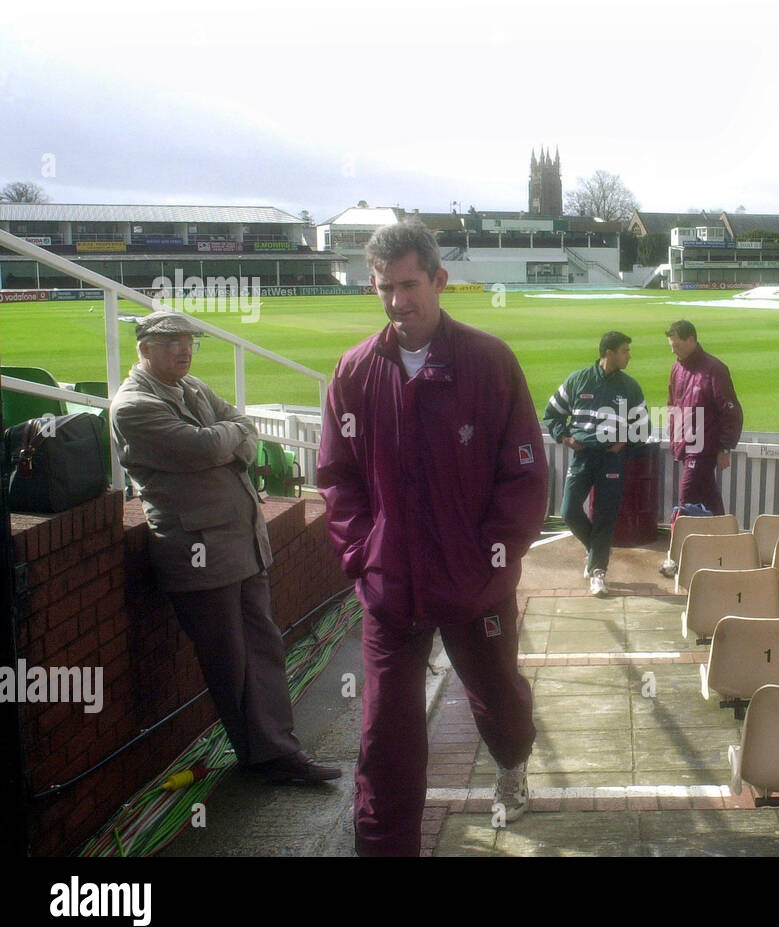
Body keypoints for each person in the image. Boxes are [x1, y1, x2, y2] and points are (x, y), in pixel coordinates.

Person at [316, 221, 548, 856]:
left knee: (499, 699)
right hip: (391, 589)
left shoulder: (489, 361)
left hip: (474, 585)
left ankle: (512, 761)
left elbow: (524, 471)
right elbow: (336, 476)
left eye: (410, 285)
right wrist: (362, 554)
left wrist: (494, 560)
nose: (398, 301)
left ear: (440, 281)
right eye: (385, 287)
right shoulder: (356, 370)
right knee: (385, 736)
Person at [110, 314, 341, 785]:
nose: (184, 350)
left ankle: (278, 748)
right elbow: (202, 448)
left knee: (263, 646)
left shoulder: (189, 388)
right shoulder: (134, 405)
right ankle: (266, 757)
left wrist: (229, 436)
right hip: (198, 549)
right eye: (171, 342)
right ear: (144, 350)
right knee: (229, 659)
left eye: (189, 341)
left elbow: (237, 427)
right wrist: (231, 437)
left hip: (241, 542)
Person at [543, 331, 648, 596]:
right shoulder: (578, 380)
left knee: (605, 515)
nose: (629, 356)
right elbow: (552, 414)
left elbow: (643, 426)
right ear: (609, 353)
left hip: (613, 458)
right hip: (583, 456)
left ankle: (598, 571)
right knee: (568, 510)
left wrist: (624, 442)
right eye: (625, 350)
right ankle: (596, 553)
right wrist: (565, 437)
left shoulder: (630, 387)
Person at [664, 319, 744, 517]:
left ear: (690, 340)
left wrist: (725, 447)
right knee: (709, 496)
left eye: (676, 346)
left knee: (687, 497)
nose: (673, 351)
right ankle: (724, 537)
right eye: (671, 346)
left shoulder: (715, 369)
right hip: (687, 444)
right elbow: (672, 402)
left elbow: (731, 411)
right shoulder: (677, 368)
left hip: (703, 447)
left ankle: (679, 545)